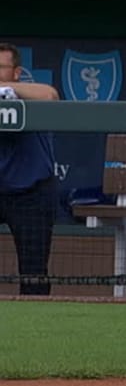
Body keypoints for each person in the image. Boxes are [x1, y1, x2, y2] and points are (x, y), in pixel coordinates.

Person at [0, 42, 59, 297]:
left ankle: (37, 325)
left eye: (0, 67)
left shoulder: (30, 92)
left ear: (16, 72)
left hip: (30, 193)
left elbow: (51, 96)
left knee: (34, 272)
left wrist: (6, 89)